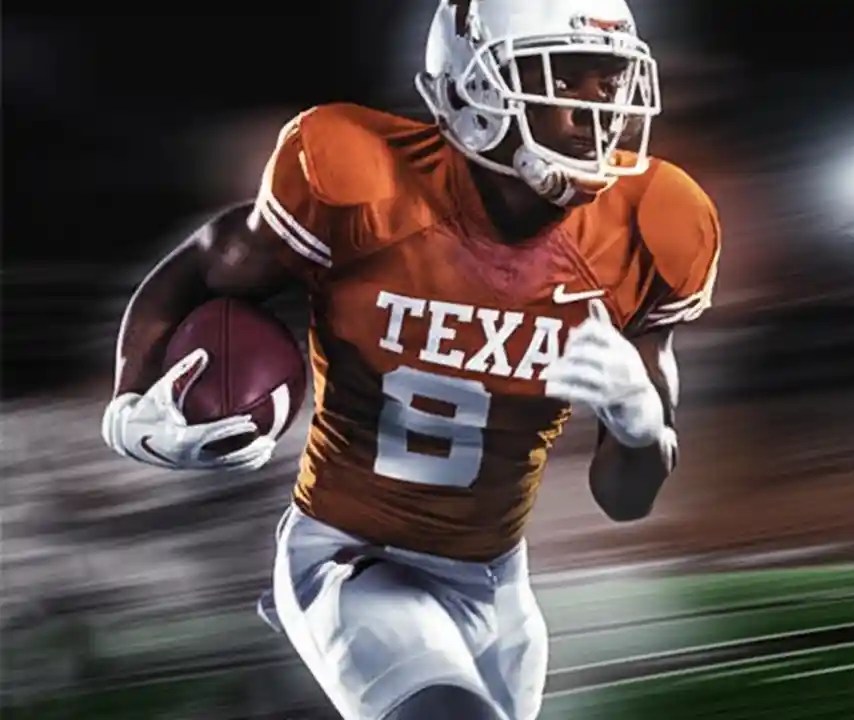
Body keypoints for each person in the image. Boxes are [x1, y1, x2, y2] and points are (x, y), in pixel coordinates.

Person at [100, 0, 721, 717]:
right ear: (472, 88)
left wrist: (641, 421)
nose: (597, 109)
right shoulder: (362, 182)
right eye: (564, 77)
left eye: (608, 80)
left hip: (498, 586)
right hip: (351, 558)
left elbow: (625, 499)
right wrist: (129, 402)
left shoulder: (652, 225)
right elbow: (211, 262)